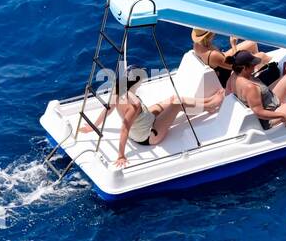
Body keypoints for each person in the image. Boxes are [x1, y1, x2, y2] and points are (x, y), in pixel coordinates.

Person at [80, 68, 224, 167]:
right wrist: (121, 155)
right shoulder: (134, 105)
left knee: (173, 98)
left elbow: (107, 110)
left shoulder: (118, 90)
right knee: (177, 104)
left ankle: (208, 101)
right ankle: (210, 106)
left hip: (145, 120)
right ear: (135, 83)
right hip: (148, 135)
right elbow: (124, 129)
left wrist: (92, 127)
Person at [190, 29, 271, 88]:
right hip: (226, 75)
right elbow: (236, 66)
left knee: (252, 43)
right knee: (262, 55)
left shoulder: (197, 44)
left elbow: (220, 59)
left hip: (221, 61)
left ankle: (254, 69)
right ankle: (261, 70)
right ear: (209, 35)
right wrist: (233, 45)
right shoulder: (213, 55)